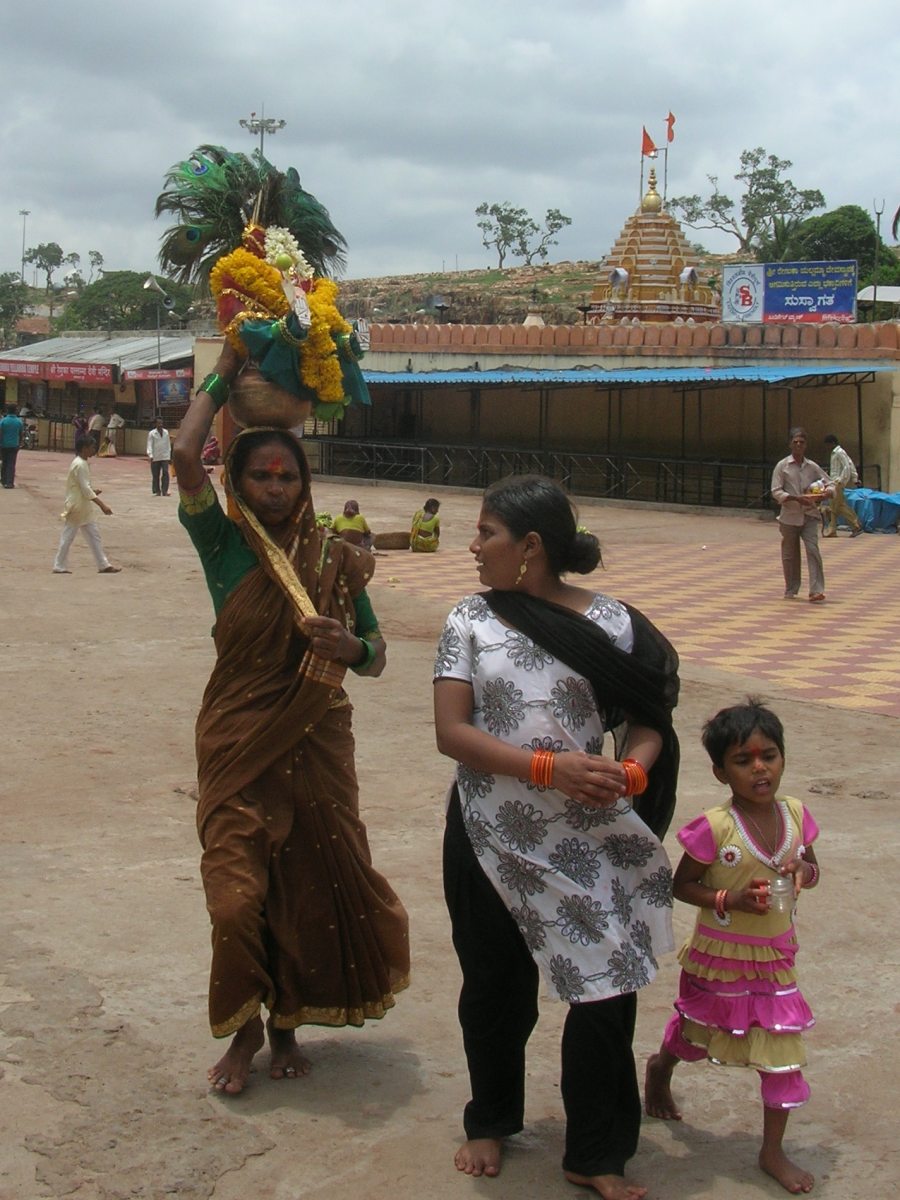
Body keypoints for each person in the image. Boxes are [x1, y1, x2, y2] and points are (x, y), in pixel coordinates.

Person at [433, 475, 680, 1199]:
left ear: (531, 547)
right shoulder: (470, 620)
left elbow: (649, 720)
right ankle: (492, 1118)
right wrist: (551, 767)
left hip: (585, 838)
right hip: (488, 833)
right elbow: (453, 733)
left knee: (606, 987)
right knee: (494, 983)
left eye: (486, 534)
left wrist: (629, 776)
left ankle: (595, 1152)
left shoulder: (613, 625)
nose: (473, 547)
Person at [172, 345, 409, 1096]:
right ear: (237, 483)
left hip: (316, 740)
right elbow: (184, 450)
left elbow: (375, 657)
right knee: (236, 895)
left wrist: (352, 644)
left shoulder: (336, 557)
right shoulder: (221, 541)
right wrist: (227, 367)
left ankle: (283, 1028)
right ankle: (242, 1027)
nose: (274, 488)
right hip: (238, 739)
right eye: (259, 476)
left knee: (305, 882)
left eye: (287, 477)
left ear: (304, 485)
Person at [644, 699, 819, 1195]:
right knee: (698, 1032)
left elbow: (813, 867)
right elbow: (682, 886)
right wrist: (730, 898)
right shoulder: (714, 828)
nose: (760, 768)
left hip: (775, 960)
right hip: (718, 960)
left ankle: (772, 1150)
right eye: (744, 761)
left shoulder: (798, 816)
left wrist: (802, 872)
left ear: (783, 758)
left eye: (769, 756)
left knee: (784, 1051)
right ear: (721, 771)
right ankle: (661, 1067)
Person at [770, 428, 832, 603]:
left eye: (801, 442)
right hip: (789, 515)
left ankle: (816, 590)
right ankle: (791, 588)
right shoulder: (782, 466)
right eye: (795, 442)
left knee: (813, 550)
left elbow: (830, 483)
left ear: (806, 445)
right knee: (790, 554)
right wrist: (795, 498)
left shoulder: (812, 466)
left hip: (809, 515)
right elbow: (776, 491)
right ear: (790, 444)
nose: (798, 445)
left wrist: (826, 493)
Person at [52, 434, 121, 574]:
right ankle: (59, 564)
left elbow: (83, 487)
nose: (94, 450)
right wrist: (102, 505)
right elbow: (85, 489)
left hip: (82, 505)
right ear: (84, 448)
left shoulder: (80, 463)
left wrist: (93, 491)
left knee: (93, 535)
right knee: (69, 536)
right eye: (92, 447)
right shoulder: (80, 464)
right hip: (77, 505)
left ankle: (103, 564)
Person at [822, 434, 862, 538]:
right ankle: (833, 530)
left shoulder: (839, 452)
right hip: (834, 482)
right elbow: (850, 464)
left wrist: (841, 480)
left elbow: (847, 467)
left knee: (838, 506)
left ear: (832, 443)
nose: (827, 447)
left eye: (828, 444)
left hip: (837, 483)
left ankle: (855, 524)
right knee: (834, 506)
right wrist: (855, 478)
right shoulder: (836, 453)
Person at [0, 404, 24, 488]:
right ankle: (10, 483)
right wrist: (20, 443)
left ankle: (3, 481)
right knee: (11, 464)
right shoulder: (19, 421)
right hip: (14, 445)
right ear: (15, 411)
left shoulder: (3, 421)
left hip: (3, 445)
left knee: (4, 463)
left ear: (7, 411)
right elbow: (21, 434)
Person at [147, 416, 172, 495]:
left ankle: (165, 491)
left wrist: (169, 455)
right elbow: (149, 445)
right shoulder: (152, 433)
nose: (160, 425)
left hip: (164, 456)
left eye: (161, 423)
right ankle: (157, 490)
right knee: (156, 474)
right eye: (158, 423)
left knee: (165, 473)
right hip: (155, 456)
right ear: (155, 424)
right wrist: (150, 455)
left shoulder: (166, 432)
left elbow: (168, 444)